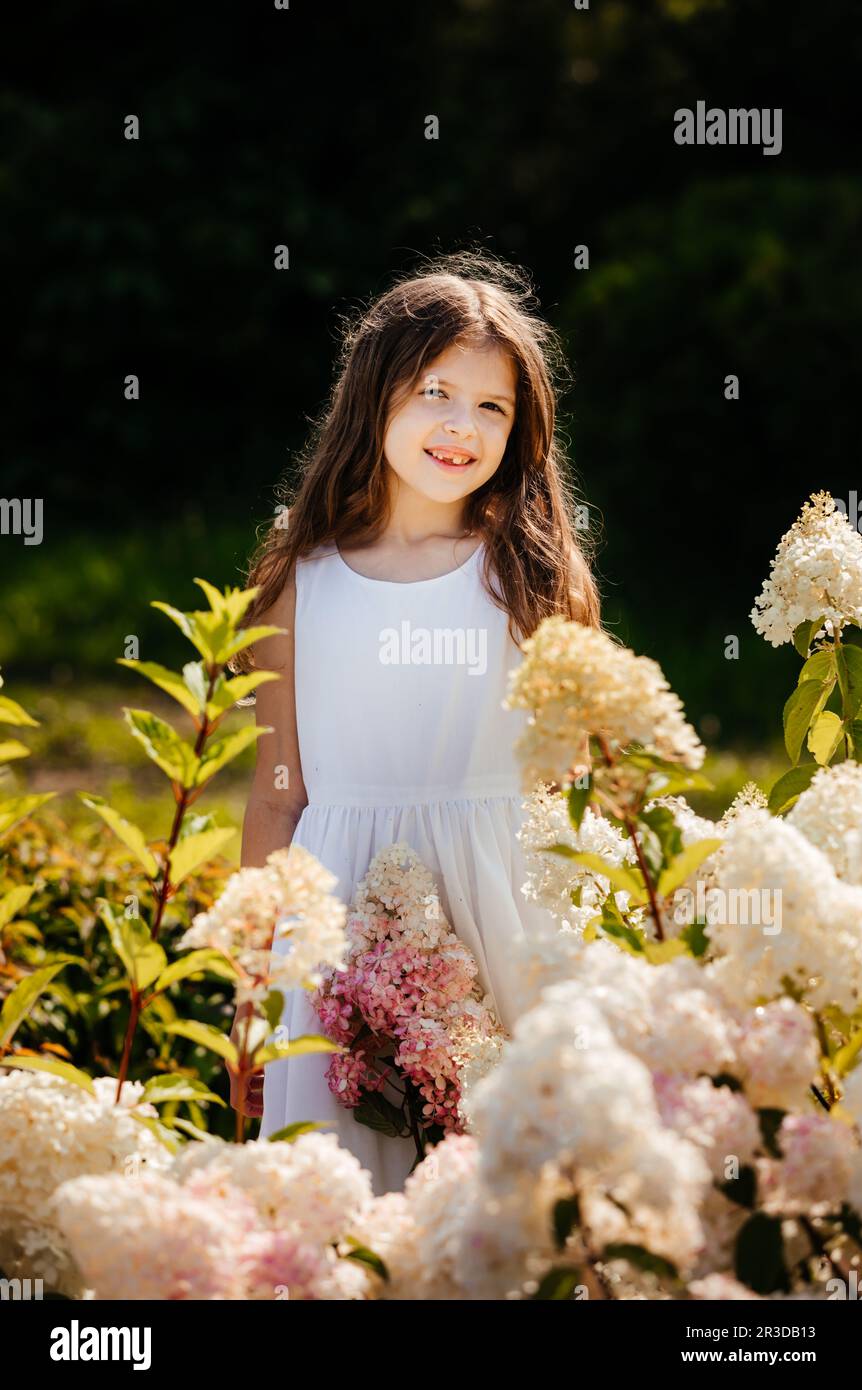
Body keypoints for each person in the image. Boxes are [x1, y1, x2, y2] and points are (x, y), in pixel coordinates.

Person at [227, 249, 600, 1196]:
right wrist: (252, 991)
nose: (461, 426)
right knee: (349, 1203)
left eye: (492, 407)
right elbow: (279, 798)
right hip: (337, 932)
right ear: (375, 395)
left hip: (499, 915)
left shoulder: (528, 574)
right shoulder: (297, 578)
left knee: (516, 1205)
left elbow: (576, 779)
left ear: (520, 431)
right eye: (436, 391)